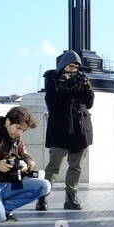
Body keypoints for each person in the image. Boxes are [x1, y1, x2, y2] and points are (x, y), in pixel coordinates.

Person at [37, 50, 93, 211]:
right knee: (54, 165)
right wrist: (69, 87)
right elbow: (53, 103)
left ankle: (71, 197)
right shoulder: (52, 78)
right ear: (63, 65)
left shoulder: (82, 79)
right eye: (70, 66)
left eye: (76, 67)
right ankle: (42, 197)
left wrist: (86, 88)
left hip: (80, 127)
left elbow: (88, 104)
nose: (73, 69)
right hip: (60, 127)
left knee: (76, 166)